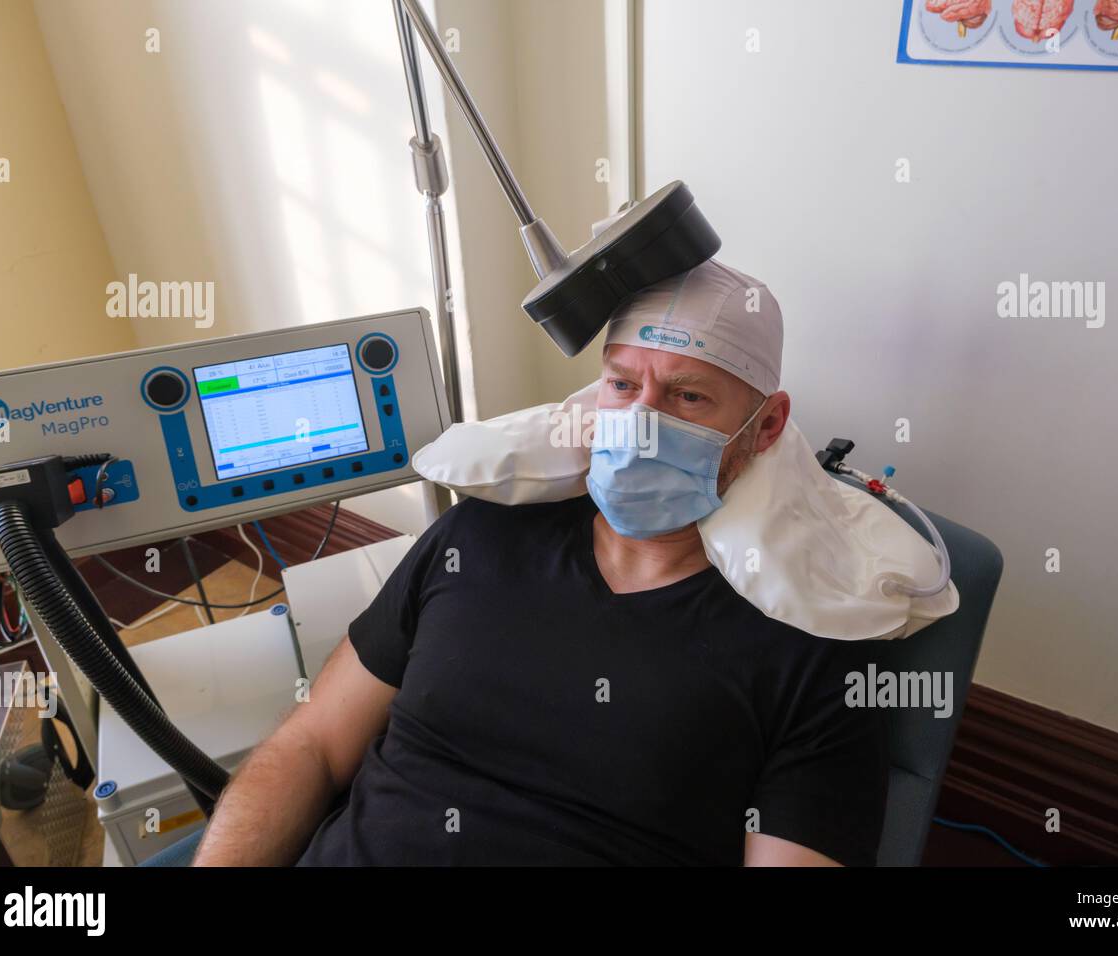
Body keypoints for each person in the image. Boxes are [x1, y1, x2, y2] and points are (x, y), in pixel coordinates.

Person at [193, 259, 889, 866]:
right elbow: (312, 744)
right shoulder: (477, 539)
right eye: (623, 386)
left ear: (765, 425)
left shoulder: (812, 637)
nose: (641, 423)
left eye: (686, 397)